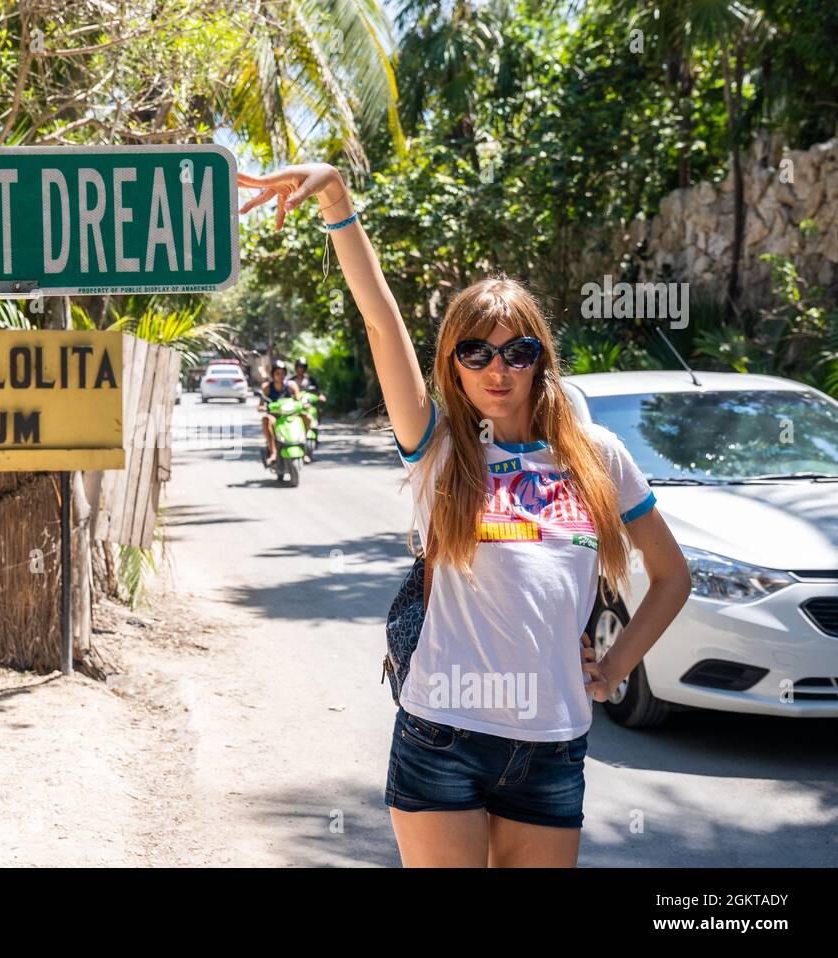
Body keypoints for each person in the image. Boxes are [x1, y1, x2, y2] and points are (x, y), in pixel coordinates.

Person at [237, 162, 691, 868]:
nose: (497, 369)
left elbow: (671, 577)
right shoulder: (440, 451)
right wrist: (337, 199)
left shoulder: (597, 454)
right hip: (442, 734)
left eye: (517, 351)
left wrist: (613, 669)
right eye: (475, 352)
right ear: (455, 362)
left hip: (553, 743)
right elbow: (383, 327)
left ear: (541, 358)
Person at [258, 360, 299, 467]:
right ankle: (273, 452)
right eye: (277, 373)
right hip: (275, 417)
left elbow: (298, 401)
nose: (280, 376)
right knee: (266, 420)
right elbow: (260, 404)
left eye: (283, 373)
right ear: (273, 374)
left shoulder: (291, 385)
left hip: (290, 416)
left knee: (306, 417)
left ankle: (304, 448)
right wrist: (262, 408)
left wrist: (302, 405)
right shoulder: (267, 387)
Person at [292, 357, 326, 461]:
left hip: (309, 404)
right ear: (296, 368)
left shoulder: (311, 379)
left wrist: (321, 396)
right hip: (297, 406)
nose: (300, 369)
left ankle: (316, 428)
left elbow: (318, 391)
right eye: (299, 367)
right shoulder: (292, 380)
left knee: (318, 411)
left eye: (302, 367)